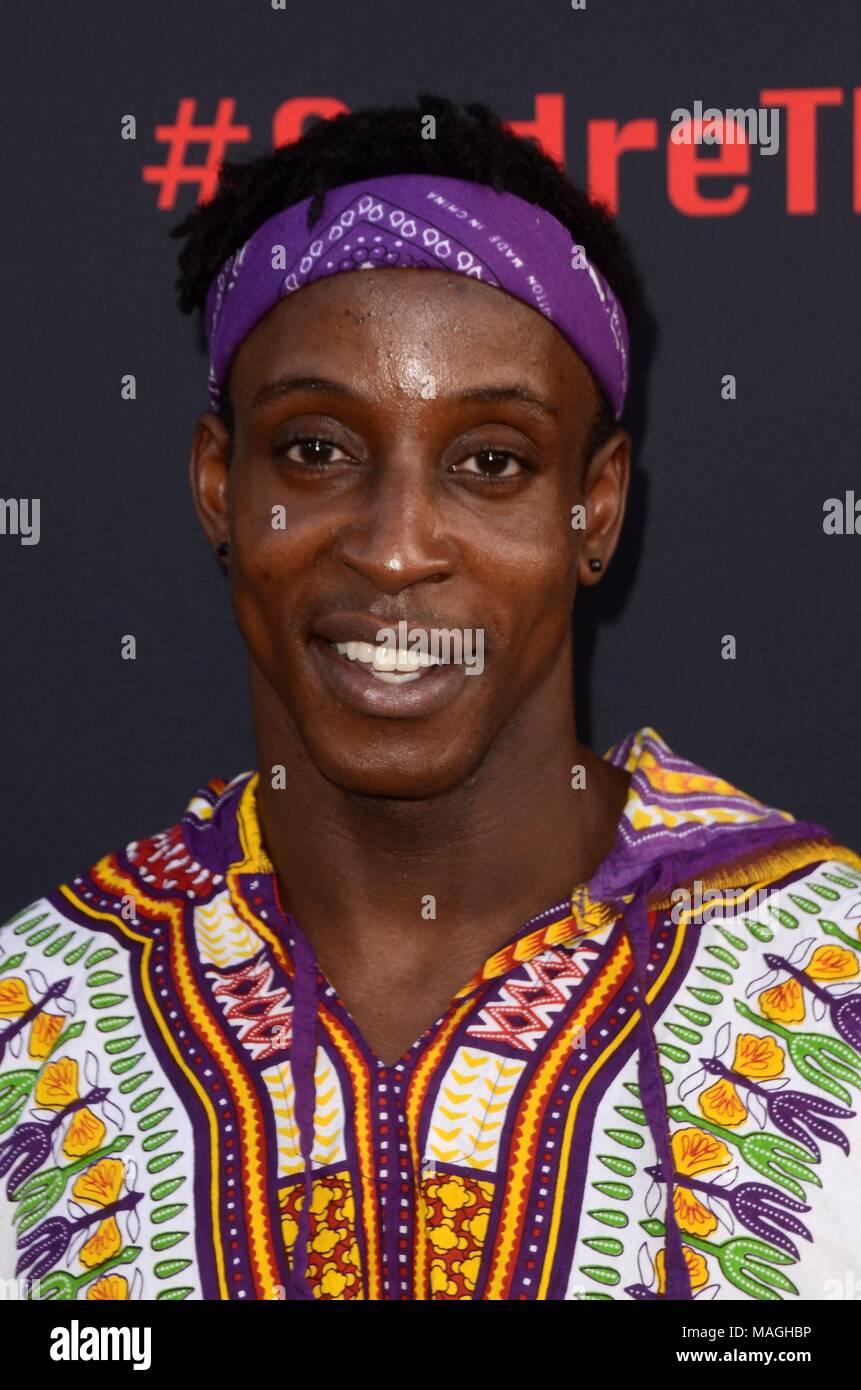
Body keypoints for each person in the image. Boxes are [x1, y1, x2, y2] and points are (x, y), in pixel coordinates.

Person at [1, 95, 859, 1303]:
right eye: (316, 449)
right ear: (218, 486)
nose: (396, 546)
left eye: (492, 462)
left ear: (595, 508)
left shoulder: (834, 980)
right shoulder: (32, 1023)